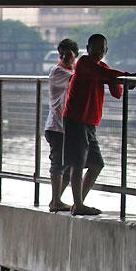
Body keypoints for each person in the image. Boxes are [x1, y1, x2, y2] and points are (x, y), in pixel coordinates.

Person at [62, 33, 136, 215]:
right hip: (76, 119)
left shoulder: (101, 67)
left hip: (90, 122)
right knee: (78, 164)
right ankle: (78, 205)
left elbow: (117, 92)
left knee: (96, 164)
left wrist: (117, 80)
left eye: (102, 49)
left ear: (106, 50)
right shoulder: (84, 63)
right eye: (95, 48)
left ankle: (78, 203)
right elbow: (105, 75)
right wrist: (125, 76)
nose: (99, 52)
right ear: (87, 49)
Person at [44, 38, 77, 213]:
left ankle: (55, 200)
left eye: (68, 53)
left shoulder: (72, 70)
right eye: (62, 53)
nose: (64, 56)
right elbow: (77, 79)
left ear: (75, 54)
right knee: (58, 164)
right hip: (56, 126)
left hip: (66, 127)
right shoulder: (57, 72)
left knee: (67, 166)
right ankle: (55, 200)